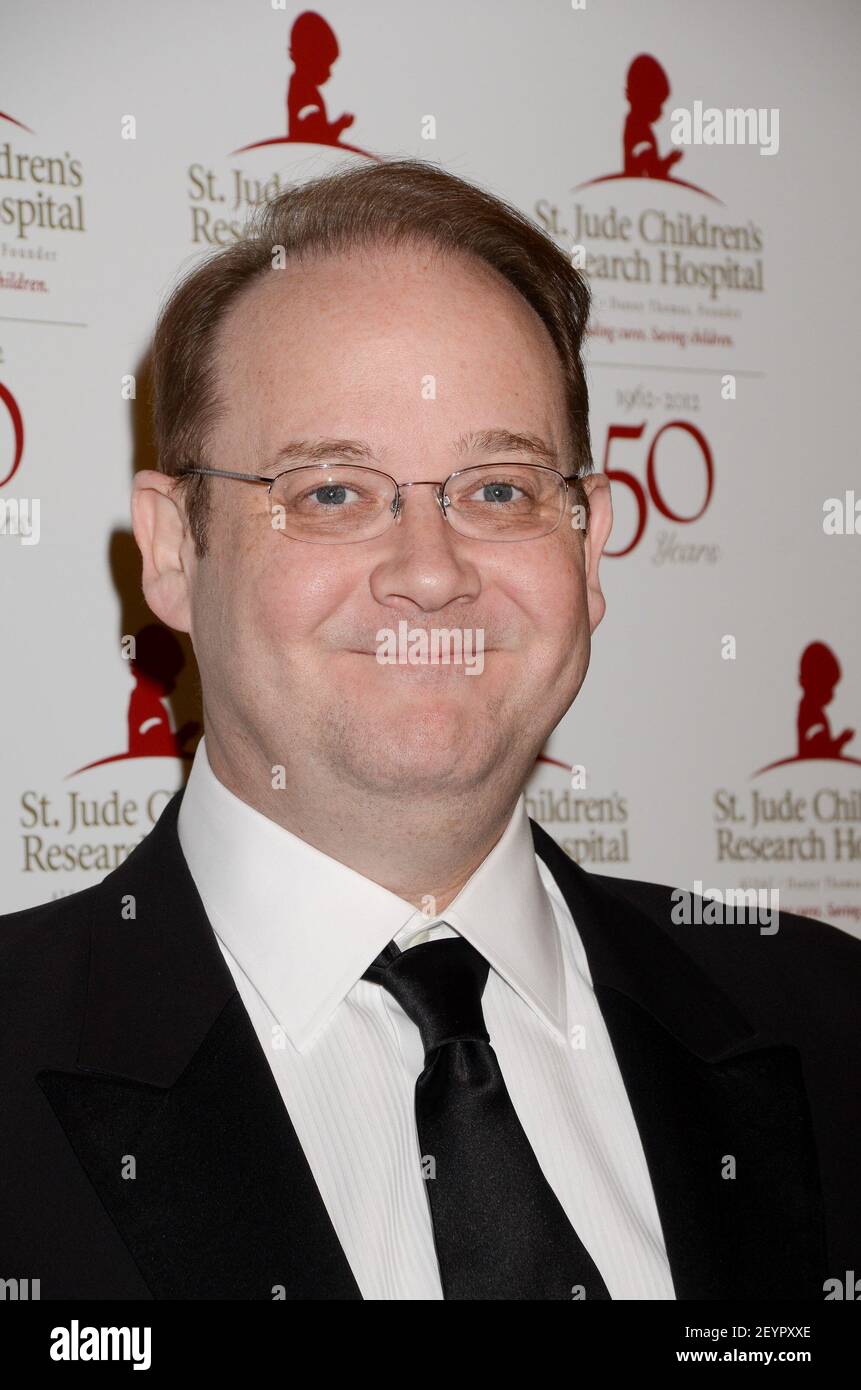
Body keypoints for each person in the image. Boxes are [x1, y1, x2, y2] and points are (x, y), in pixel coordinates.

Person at [1, 158, 857, 1301]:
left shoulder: (827, 1019)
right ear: (172, 549)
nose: (430, 573)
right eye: (332, 494)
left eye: (499, 489)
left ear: (590, 546)